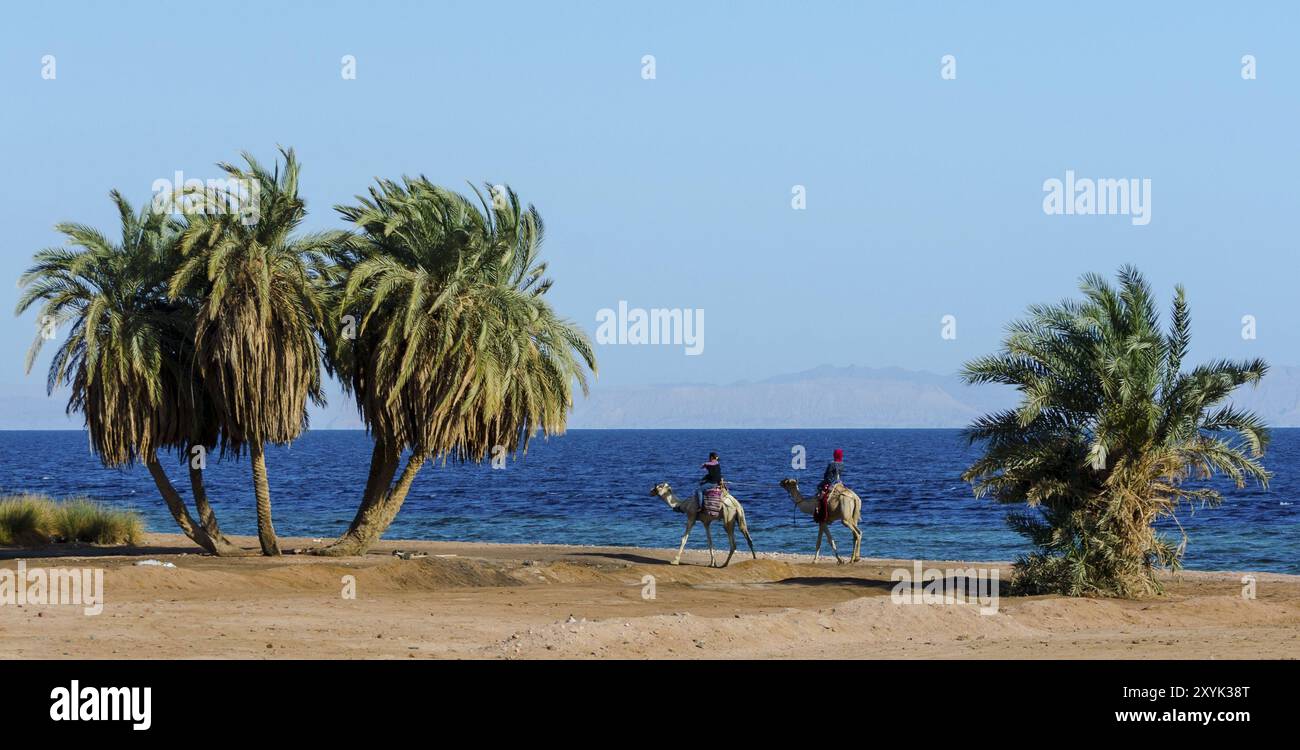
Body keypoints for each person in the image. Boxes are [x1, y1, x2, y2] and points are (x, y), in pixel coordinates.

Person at [815, 449, 844, 522]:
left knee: (818, 487)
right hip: (839, 482)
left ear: (834, 455)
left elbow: (827, 474)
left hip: (831, 482)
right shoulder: (842, 464)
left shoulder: (831, 464)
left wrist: (825, 480)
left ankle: (819, 508)